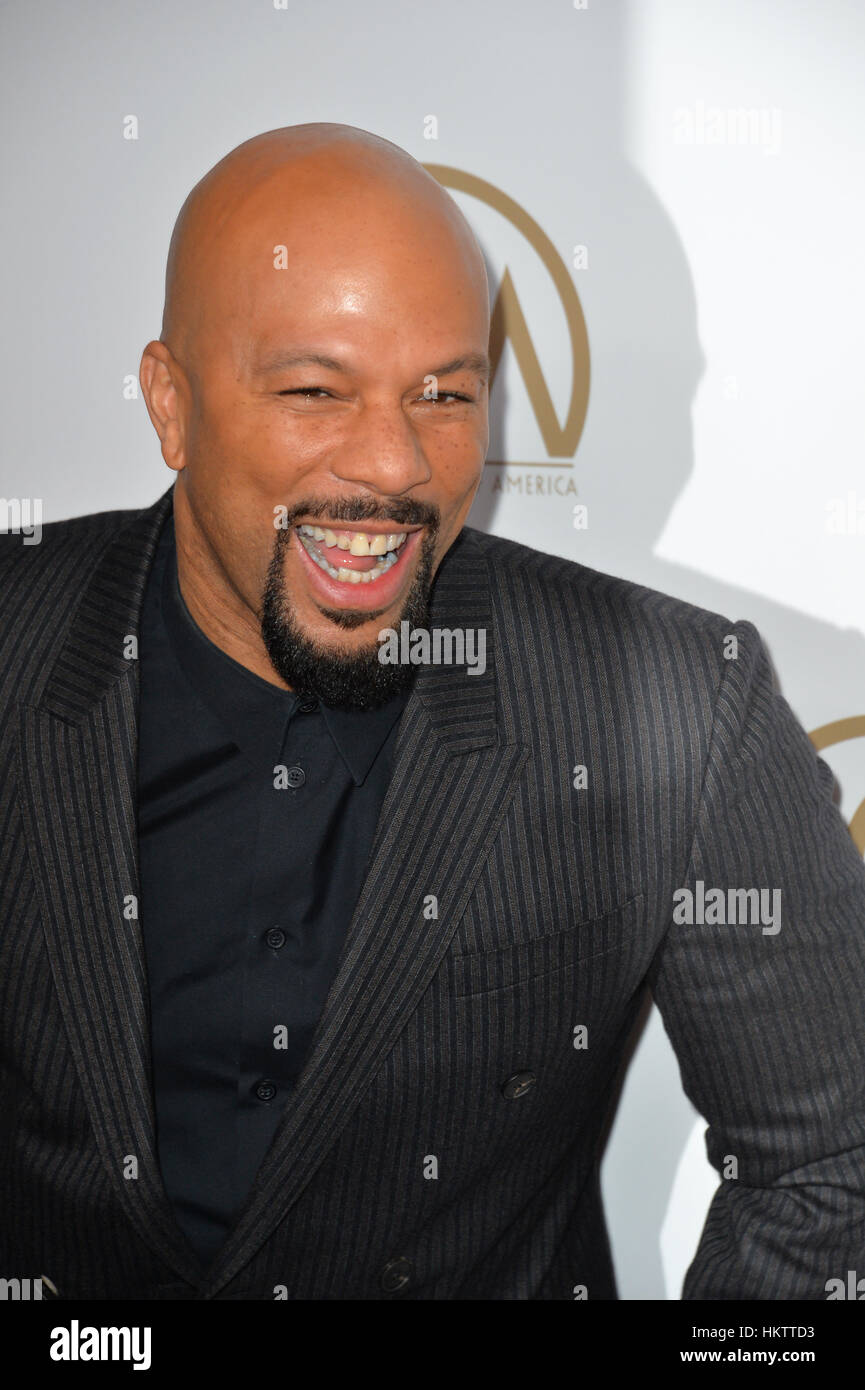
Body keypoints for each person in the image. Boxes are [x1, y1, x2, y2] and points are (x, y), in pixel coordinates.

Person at [2, 123, 864, 1301]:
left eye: (443, 393)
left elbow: (829, 1160)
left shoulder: (672, 704)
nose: (396, 464)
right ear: (171, 402)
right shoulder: (15, 641)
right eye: (315, 390)